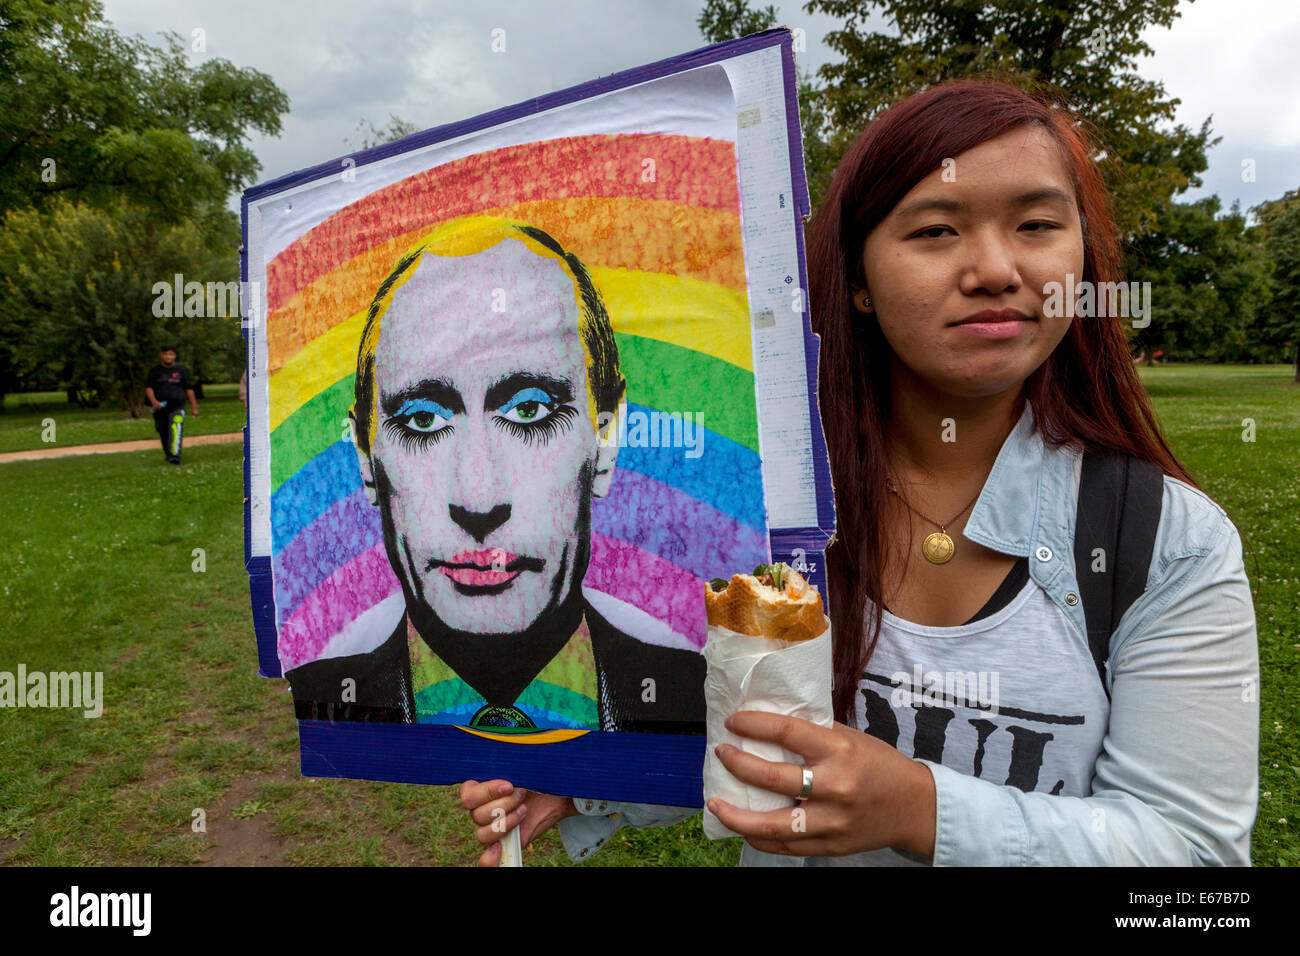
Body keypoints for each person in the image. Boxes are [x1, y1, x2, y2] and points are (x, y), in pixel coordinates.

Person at [460, 78, 1258, 866]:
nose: (994, 268)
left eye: (1037, 224)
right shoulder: (768, 509)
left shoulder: (1166, 539)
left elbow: (1193, 855)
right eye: (936, 231)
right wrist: (587, 781)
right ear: (859, 282)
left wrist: (921, 811)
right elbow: (745, 725)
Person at [284, 217, 705, 734]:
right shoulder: (329, 704)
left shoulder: (699, 698)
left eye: (530, 412)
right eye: (423, 420)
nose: (478, 498)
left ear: (606, 441)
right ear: (366, 458)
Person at [144, 345, 198, 465]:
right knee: (163, 432)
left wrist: (194, 407)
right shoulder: (155, 371)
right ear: (161, 355)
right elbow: (149, 388)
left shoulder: (181, 371)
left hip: (177, 406)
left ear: (174, 356)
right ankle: (169, 454)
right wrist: (154, 402)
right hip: (160, 408)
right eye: (165, 354)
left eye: (170, 354)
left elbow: (189, 389)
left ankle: (175, 456)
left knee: (175, 428)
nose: (168, 356)